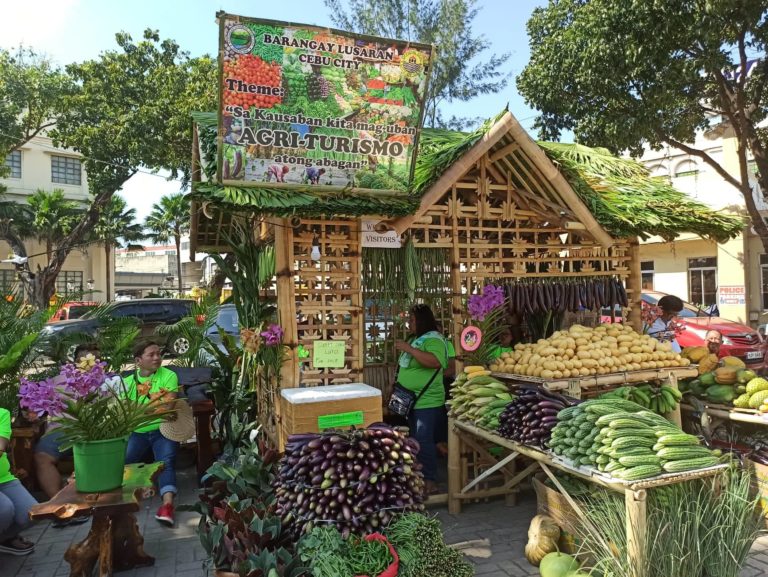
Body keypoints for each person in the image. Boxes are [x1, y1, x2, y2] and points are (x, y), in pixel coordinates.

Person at [32, 345, 112, 523]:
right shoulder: (58, 380)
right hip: (60, 431)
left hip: (90, 431)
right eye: (89, 360)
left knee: (89, 455)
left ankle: (83, 504)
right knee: (41, 457)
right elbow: (38, 404)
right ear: (77, 362)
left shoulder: (104, 382)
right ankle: (60, 508)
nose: (95, 364)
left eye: (97, 360)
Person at [122, 341, 179, 526]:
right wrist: (155, 405)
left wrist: (139, 408)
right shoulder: (127, 382)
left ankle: (167, 506)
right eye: (151, 355)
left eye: (159, 354)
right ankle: (131, 501)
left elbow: (167, 407)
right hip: (137, 431)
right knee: (126, 461)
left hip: (163, 429)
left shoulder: (169, 375)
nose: (157, 358)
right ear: (139, 360)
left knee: (165, 462)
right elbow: (125, 410)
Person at [395, 304, 448, 494]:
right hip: (411, 400)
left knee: (424, 440)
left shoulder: (434, 340)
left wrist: (409, 349)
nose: (409, 323)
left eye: (412, 320)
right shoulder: (417, 339)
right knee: (417, 439)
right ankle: (422, 478)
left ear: (422, 320)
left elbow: (435, 362)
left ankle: (430, 480)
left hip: (427, 401)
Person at [0, 407, 37, 555]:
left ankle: (4, 538)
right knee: (4, 510)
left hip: (3, 478)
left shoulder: (2, 413)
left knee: (32, 512)